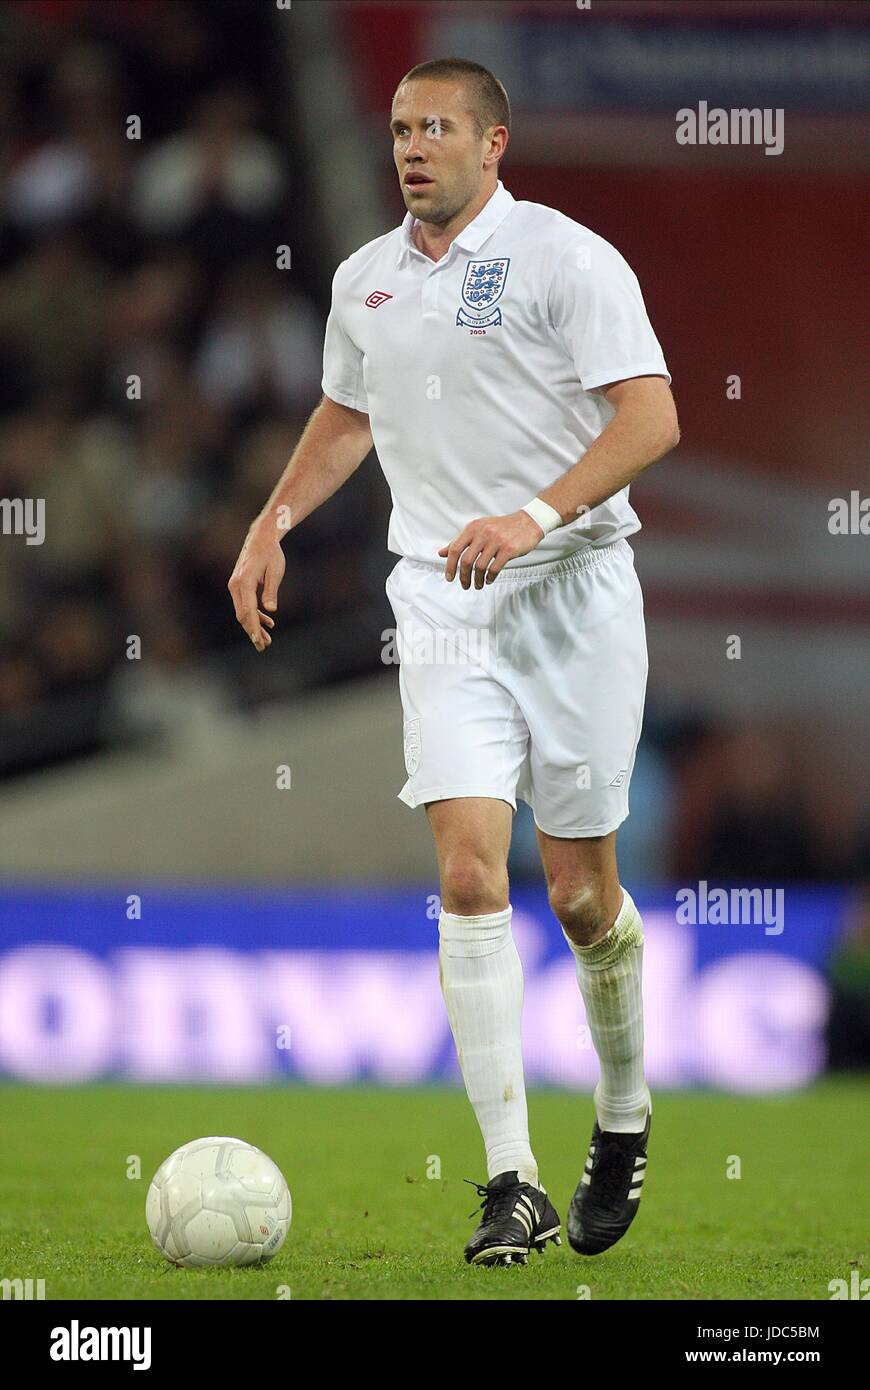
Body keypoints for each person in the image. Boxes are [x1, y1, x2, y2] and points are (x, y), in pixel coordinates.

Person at [228, 58, 679, 1267]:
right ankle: (511, 1181)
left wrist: (533, 515)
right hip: (440, 600)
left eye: (437, 127)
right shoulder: (363, 281)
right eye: (398, 128)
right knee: (472, 875)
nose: (412, 146)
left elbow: (651, 417)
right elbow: (346, 412)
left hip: (573, 594)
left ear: (495, 145)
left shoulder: (568, 259)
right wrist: (272, 523)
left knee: (583, 899)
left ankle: (624, 1118)